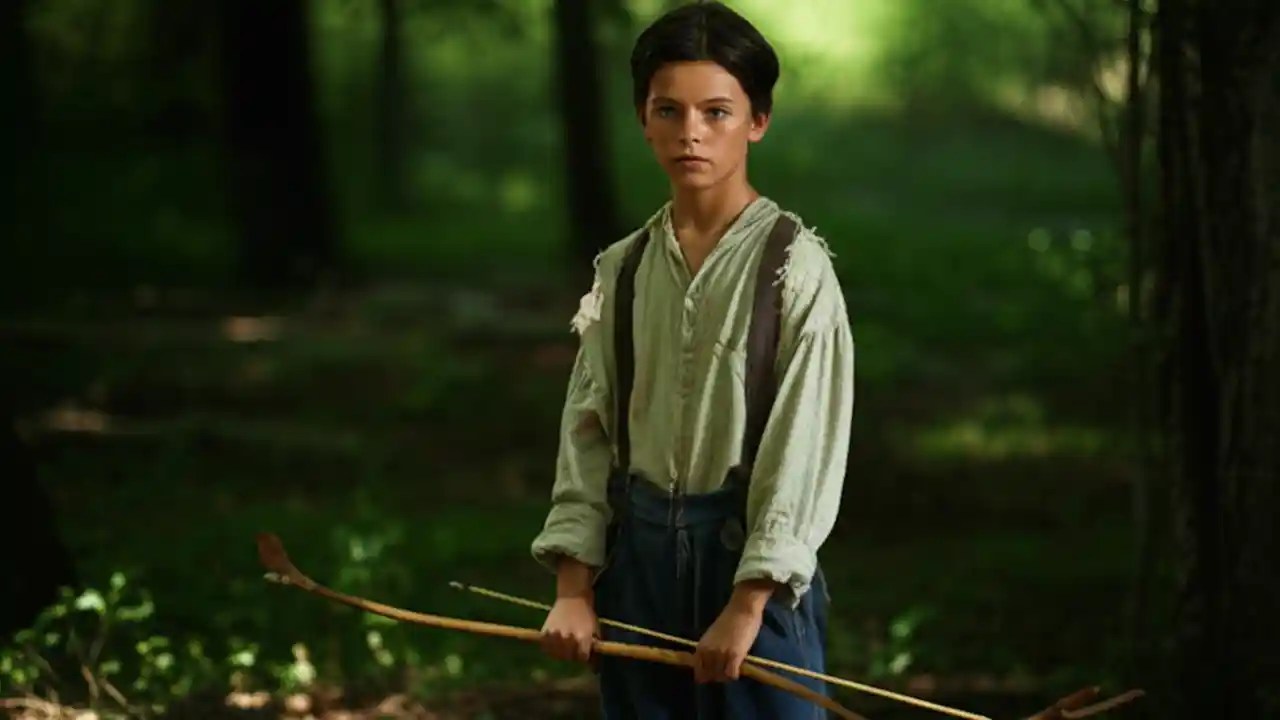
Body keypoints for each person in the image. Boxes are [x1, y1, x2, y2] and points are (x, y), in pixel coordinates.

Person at [530, 2, 855, 717]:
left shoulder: (793, 269)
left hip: (748, 562)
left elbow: (805, 447)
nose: (691, 133)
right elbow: (587, 431)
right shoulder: (623, 269)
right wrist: (574, 588)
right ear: (643, 119)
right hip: (638, 568)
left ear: (758, 120)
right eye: (668, 111)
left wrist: (750, 601)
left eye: (717, 112)